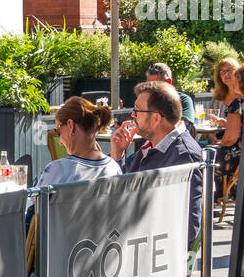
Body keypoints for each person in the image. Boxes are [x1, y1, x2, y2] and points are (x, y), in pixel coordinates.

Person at [110, 81, 205, 244]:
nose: (132, 115)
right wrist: (118, 154)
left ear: (155, 118)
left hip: (155, 254)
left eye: (137, 110)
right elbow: (123, 191)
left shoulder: (183, 156)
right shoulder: (152, 147)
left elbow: (189, 227)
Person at [37, 96, 122, 187]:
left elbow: (34, 201)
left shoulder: (57, 171)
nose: (60, 142)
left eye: (58, 131)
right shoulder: (114, 169)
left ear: (70, 126)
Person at [146, 63, 195, 127]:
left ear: (168, 82)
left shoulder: (183, 100)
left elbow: (182, 127)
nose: (150, 88)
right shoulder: (145, 100)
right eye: (147, 85)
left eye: (155, 84)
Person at [210, 57, 239, 125]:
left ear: (237, 71)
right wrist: (212, 135)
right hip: (216, 133)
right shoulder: (218, 97)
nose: (226, 74)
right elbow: (210, 120)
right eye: (222, 72)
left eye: (229, 70)